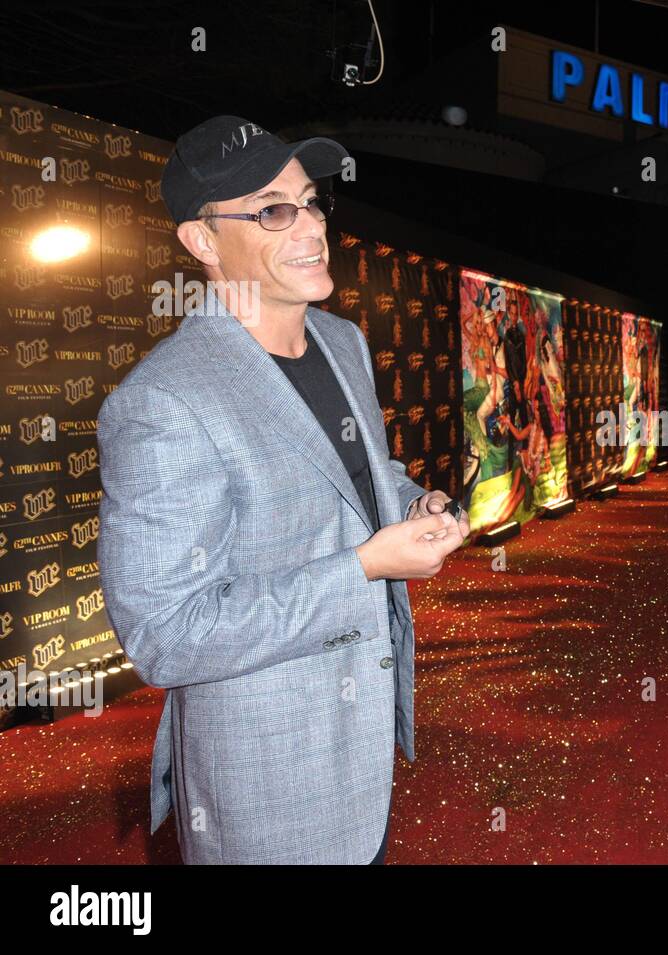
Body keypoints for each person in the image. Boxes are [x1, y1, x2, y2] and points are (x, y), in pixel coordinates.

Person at [96, 115, 469, 865]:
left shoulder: (343, 341)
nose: (311, 227)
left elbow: (360, 476)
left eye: (311, 201)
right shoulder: (164, 402)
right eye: (273, 210)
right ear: (203, 242)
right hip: (265, 780)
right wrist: (365, 566)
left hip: (363, 753)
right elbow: (166, 635)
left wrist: (411, 502)